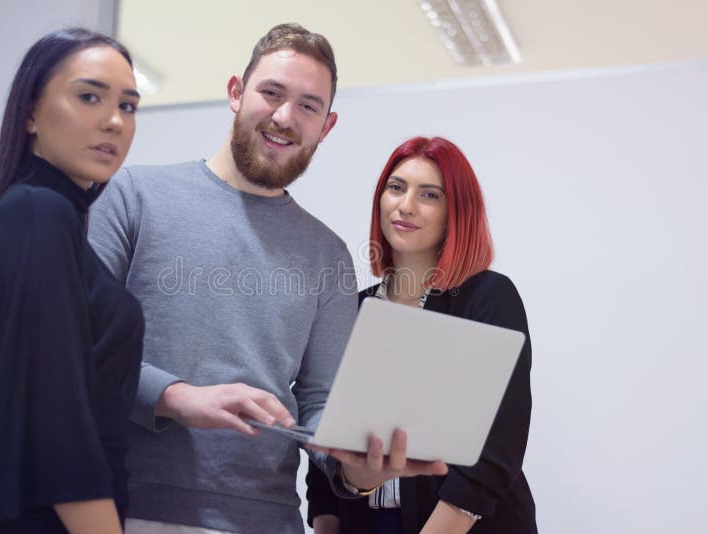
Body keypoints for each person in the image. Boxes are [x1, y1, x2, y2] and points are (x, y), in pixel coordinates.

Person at [88, 23, 445, 534]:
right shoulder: (130, 198)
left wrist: (357, 471)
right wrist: (178, 396)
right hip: (126, 510)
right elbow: (76, 345)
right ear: (236, 92)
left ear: (326, 125)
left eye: (308, 106)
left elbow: (323, 403)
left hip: (268, 520)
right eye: (272, 93)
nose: (285, 117)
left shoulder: (327, 253)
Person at [0, 28, 144, 534]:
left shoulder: (42, 215)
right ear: (31, 113)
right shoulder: (39, 212)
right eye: (89, 97)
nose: (114, 121)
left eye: (128, 106)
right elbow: (58, 427)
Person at [306, 136, 537, 534]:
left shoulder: (488, 297)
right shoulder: (352, 309)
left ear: (456, 211)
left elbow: (495, 449)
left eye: (429, 194)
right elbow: (327, 439)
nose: (406, 205)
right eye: (396, 188)